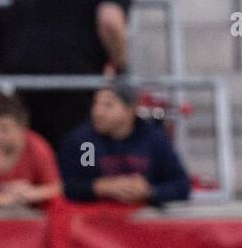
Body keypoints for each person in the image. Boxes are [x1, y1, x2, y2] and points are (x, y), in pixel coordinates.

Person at [0, 0, 130, 153]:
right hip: (77, 75)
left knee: (36, 149)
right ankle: (84, 174)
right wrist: (121, 64)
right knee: (85, 145)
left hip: (24, 71)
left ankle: (48, 177)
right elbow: (110, 21)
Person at [58, 81, 191, 205]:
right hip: (95, 221)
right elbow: (70, 185)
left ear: (130, 110)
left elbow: (180, 185)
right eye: (96, 104)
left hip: (140, 220)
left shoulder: (153, 139)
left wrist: (150, 192)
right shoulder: (86, 143)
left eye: (108, 105)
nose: (98, 112)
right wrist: (99, 187)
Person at [0, 89, 61, 208]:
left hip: (28, 213)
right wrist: (4, 200)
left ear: (22, 126)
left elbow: (56, 189)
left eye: (3, 129)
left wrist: (31, 193)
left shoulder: (38, 147)